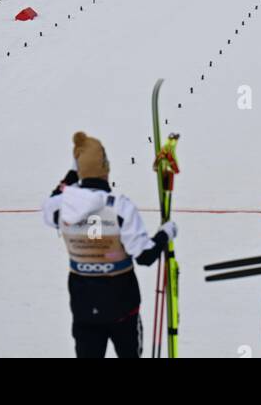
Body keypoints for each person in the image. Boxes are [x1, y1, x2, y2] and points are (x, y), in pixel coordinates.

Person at [42, 132, 178, 359]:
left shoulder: (60, 207)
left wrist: (75, 171)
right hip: (122, 310)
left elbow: (55, 196)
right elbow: (145, 256)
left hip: (84, 310)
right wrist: (166, 234)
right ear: (106, 168)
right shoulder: (120, 208)